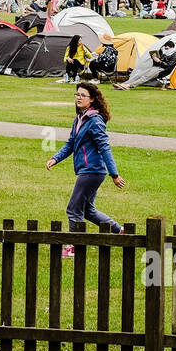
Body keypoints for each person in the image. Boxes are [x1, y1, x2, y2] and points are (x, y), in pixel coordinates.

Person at [45, 82, 126, 257]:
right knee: (88, 210)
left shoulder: (95, 121)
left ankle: (74, 246)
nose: (79, 98)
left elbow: (104, 147)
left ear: (92, 99)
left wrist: (114, 174)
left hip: (92, 171)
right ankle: (120, 231)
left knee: (73, 208)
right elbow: (71, 143)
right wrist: (55, 158)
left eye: (83, 95)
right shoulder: (80, 118)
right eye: (77, 95)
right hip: (88, 170)